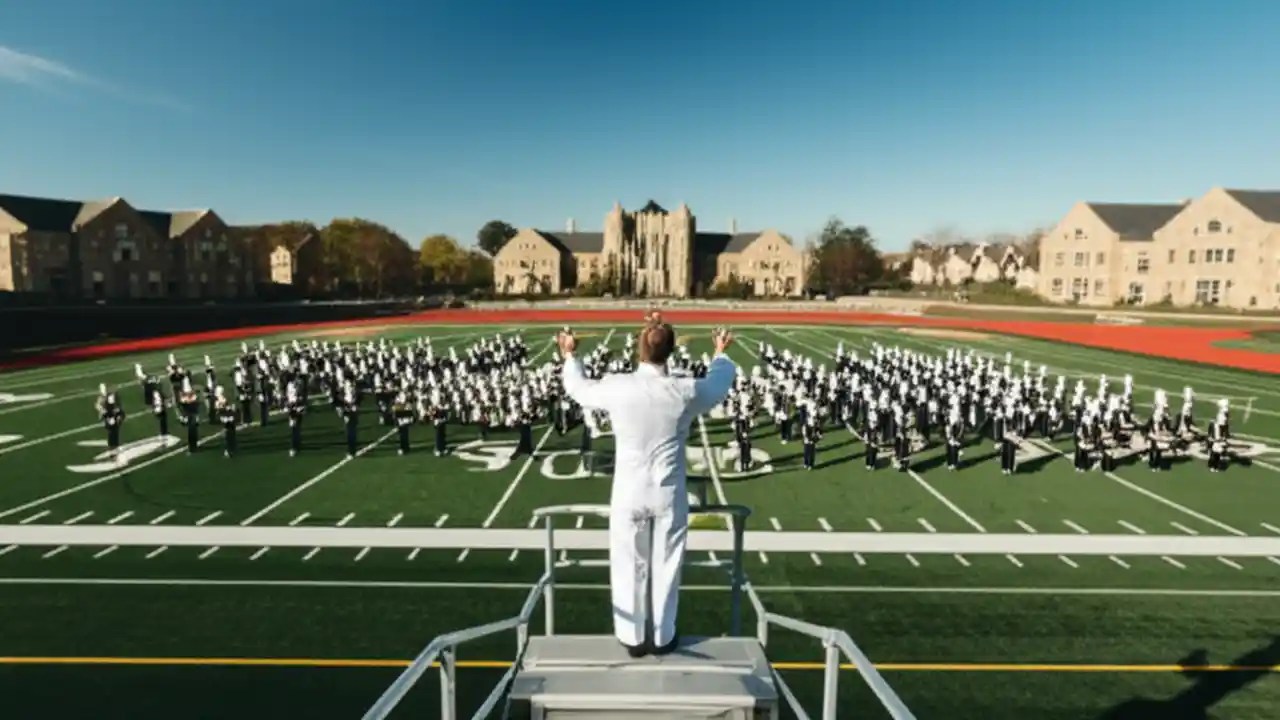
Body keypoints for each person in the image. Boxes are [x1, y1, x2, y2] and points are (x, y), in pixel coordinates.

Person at [558, 315, 735, 658]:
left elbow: (578, 389)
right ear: (671, 351)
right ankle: (663, 635)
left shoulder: (618, 386)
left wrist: (570, 355)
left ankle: (633, 636)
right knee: (668, 563)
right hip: (668, 490)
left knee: (627, 562)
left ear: (639, 350)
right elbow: (718, 383)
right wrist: (720, 353)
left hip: (629, 489)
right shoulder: (684, 390)